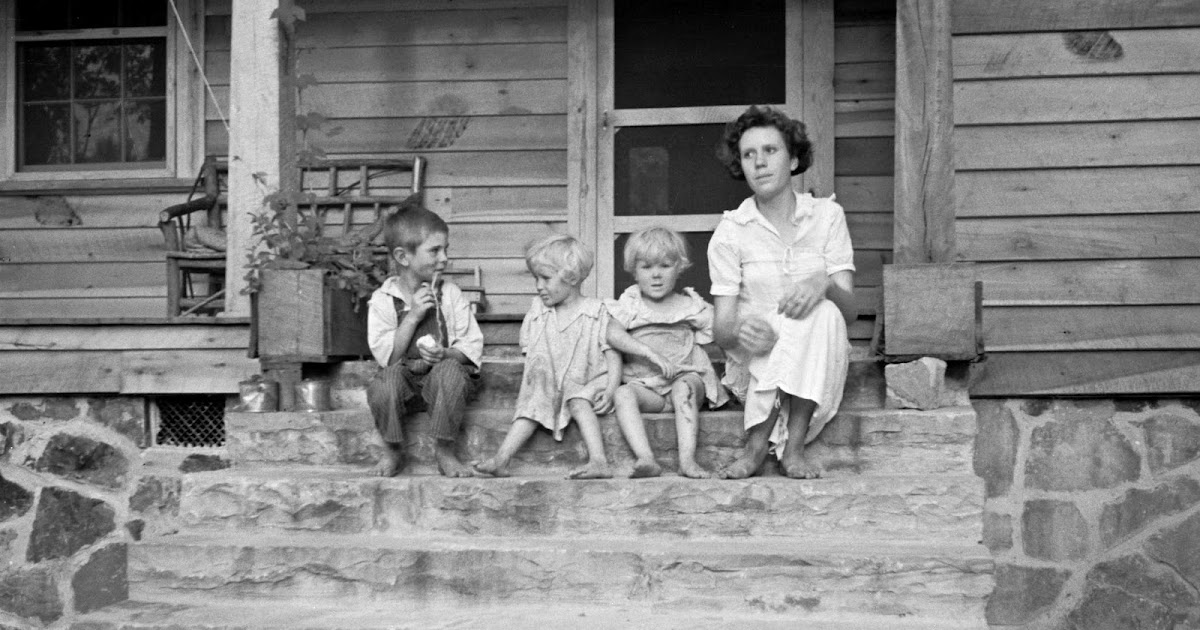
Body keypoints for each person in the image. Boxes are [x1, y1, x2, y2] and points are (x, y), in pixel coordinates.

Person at [708, 105, 857, 479]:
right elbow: (721, 330)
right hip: (758, 368)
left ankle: (777, 446)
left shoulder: (826, 217)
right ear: (740, 166)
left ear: (793, 160)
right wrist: (741, 331)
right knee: (784, 320)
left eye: (770, 151)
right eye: (748, 154)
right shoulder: (731, 231)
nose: (759, 162)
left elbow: (850, 313)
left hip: (816, 368)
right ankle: (770, 445)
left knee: (821, 311)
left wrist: (822, 282)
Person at [474, 234, 674, 479]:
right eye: (536, 278)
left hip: (593, 377)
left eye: (545, 278)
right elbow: (534, 354)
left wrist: (611, 387)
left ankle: (599, 460)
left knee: (578, 401)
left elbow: (611, 353)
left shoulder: (597, 311)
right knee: (533, 402)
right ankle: (502, 458)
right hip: (556, 379)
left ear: (571, 277)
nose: (539, 286)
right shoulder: (539, 312)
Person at [365, 206, 483, 478]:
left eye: (446, 249)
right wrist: (412, 317)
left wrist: (447, 354)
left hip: (443, 386)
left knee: (450, 373)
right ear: (402, 257)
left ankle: (444, 450)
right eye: (434, 251)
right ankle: (393, 450)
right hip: (405, 382)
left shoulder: (450, 293)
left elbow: (472, 346)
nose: (444, 258)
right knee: (384, 384)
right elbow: (389, 360)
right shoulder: (383, 299)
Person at [607, 227, 728, 479]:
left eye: (665, 266)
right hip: (649, 387)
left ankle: (687, 460)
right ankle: (646, 458)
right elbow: (613, 334)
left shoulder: (689, 305)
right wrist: (649, 353)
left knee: (683, 387)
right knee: (623, 393)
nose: (656, 275)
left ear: (679, 267)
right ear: (634, 270)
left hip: (686, 378)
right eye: (646, 267)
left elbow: (723, 330)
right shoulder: (631, 303)